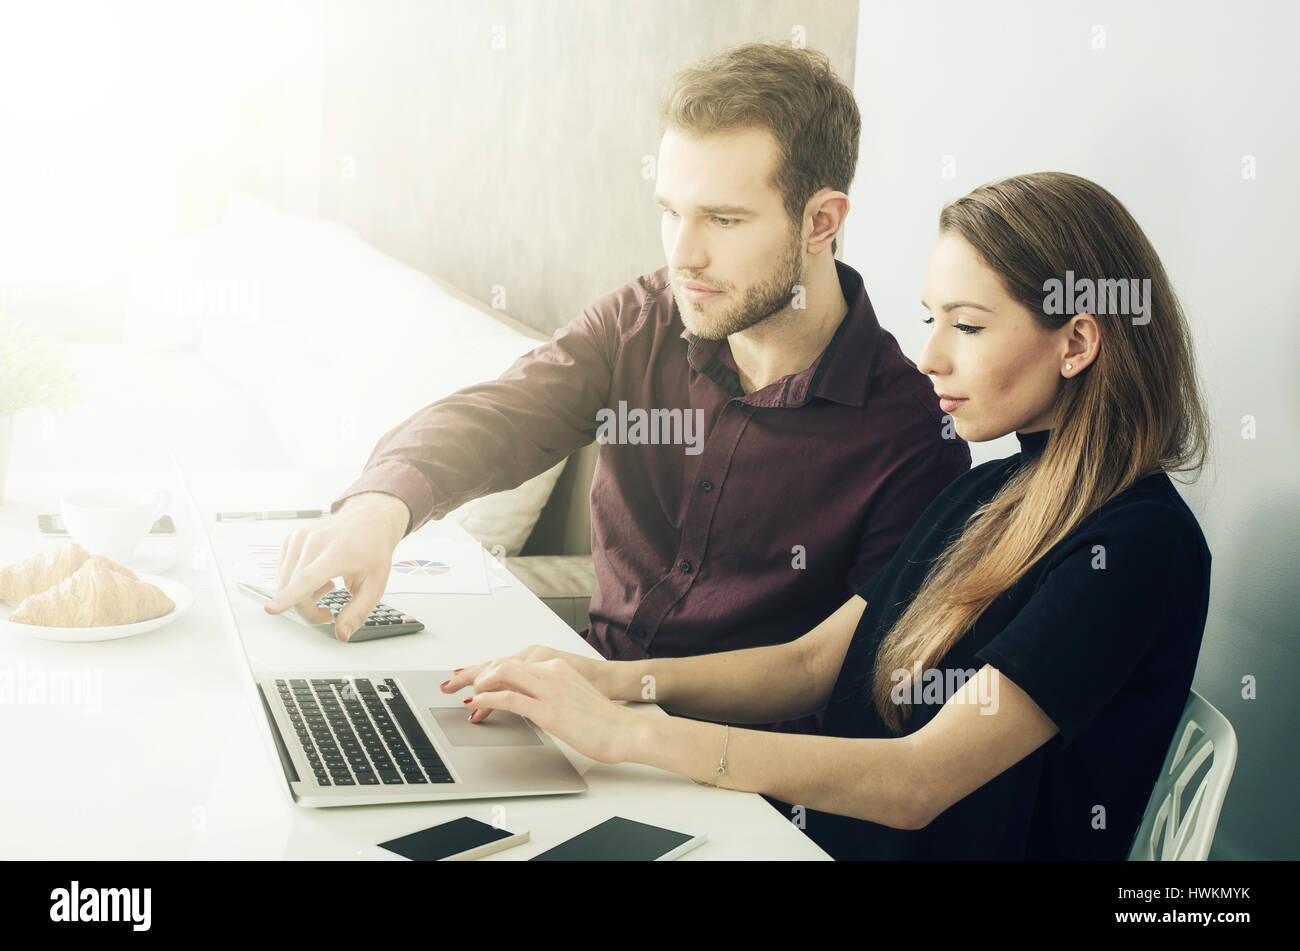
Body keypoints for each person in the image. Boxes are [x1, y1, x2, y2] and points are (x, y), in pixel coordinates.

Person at [440, 171, 1214, 860]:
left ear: (1078, 340)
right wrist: (611, 683)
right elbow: (811, 664)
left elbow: (918, 781)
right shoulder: (991, 492)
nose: (930, 357)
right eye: (929, 320)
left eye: (968, 326)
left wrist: (632, 733)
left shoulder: (1139, 546)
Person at [265, 43, 970, 736]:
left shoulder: (910, 438)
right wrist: (378, 508)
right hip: (577, 719)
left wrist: (619, 700)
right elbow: (502, 416)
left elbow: (842, 681)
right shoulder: (642, 319)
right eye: (671, 210)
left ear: (821, 222)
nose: (682, 254)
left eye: (723, 220)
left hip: (745, 785)